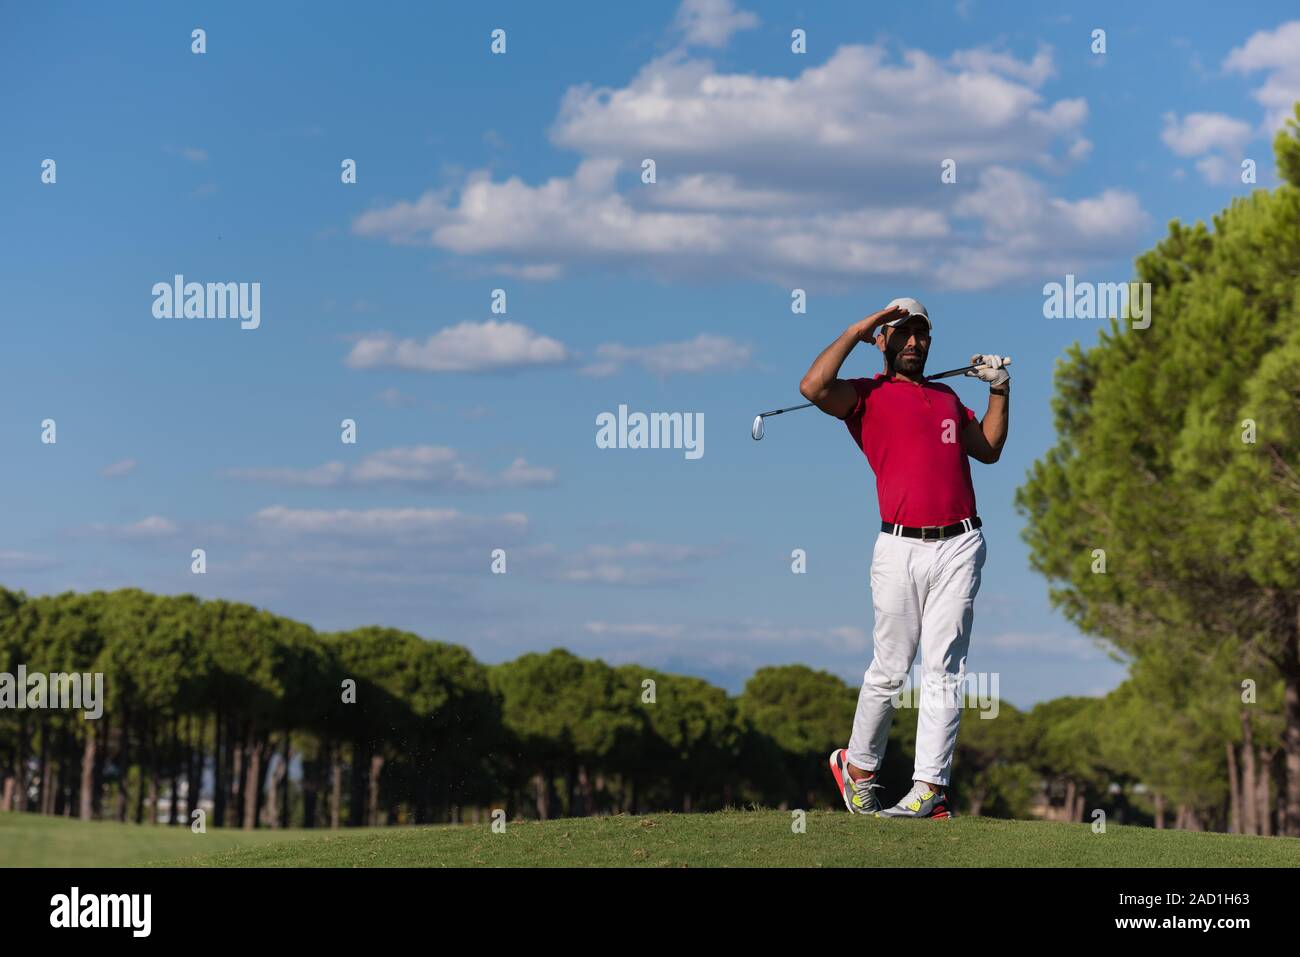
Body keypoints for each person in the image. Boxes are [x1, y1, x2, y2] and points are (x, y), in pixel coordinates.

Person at [797, 298, 1009, 818]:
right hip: (897, 545)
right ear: (882, 341)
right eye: (902, 333)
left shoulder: (946, 396)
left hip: (960, 542)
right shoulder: (864, 397)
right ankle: (860, 770)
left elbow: (988, 448)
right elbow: (813, 387)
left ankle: (929, 791)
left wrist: (999, 390)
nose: (914, 342)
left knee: (944, 669)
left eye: (921, 334)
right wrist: (859, 325)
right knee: (890, 669)